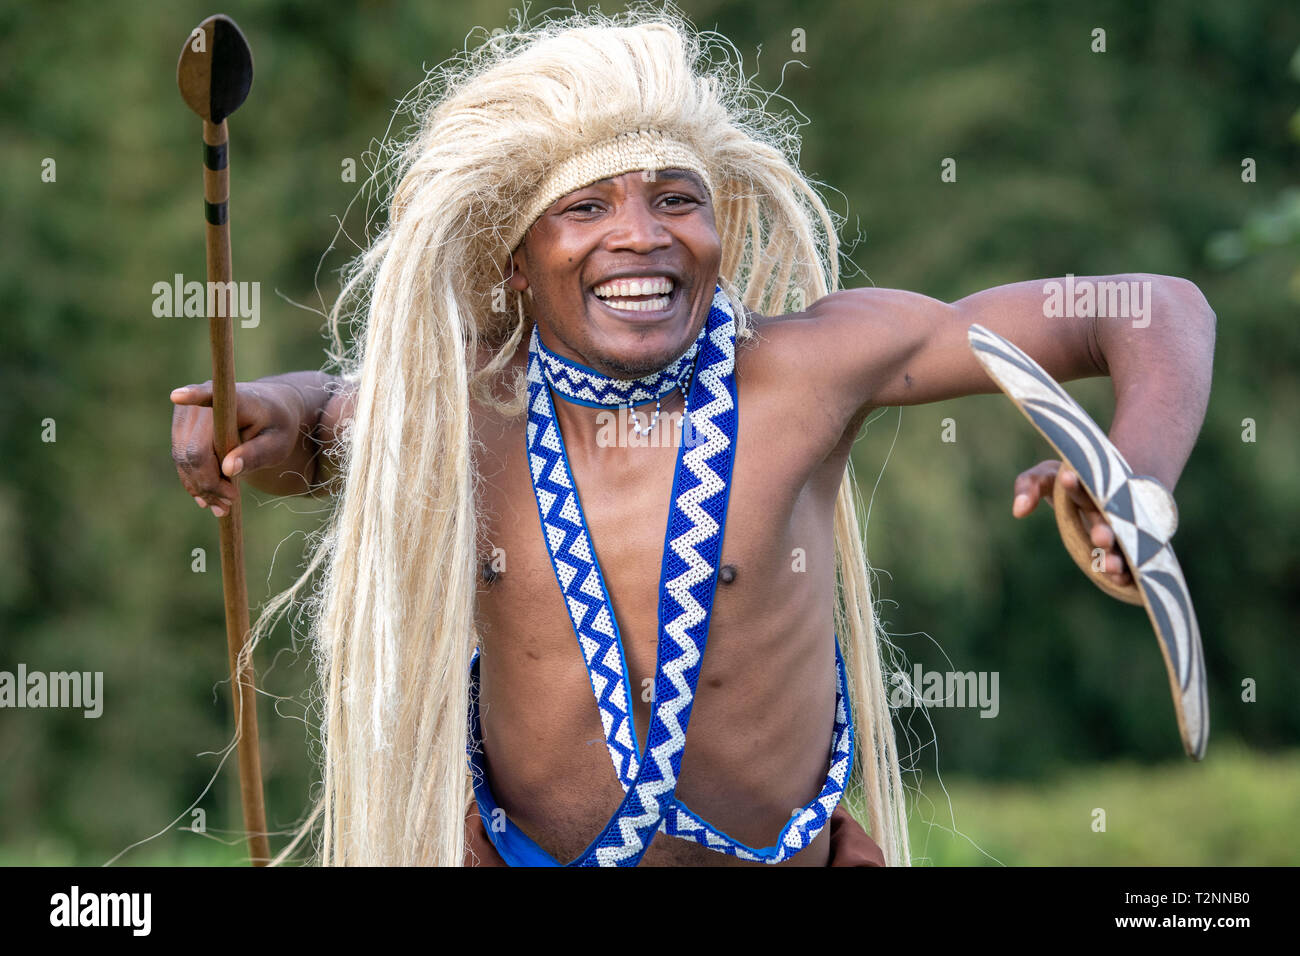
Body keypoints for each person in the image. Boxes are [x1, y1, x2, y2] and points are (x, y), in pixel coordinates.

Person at [168, 10, 1215, 867]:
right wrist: (266, 407)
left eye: (677, 198)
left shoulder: (810, 367)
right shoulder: (458, 409)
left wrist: (1135, 474)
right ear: (517, 264)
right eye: (585, 206)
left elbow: (1149, 307)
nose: (642, 233)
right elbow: (327, 427)